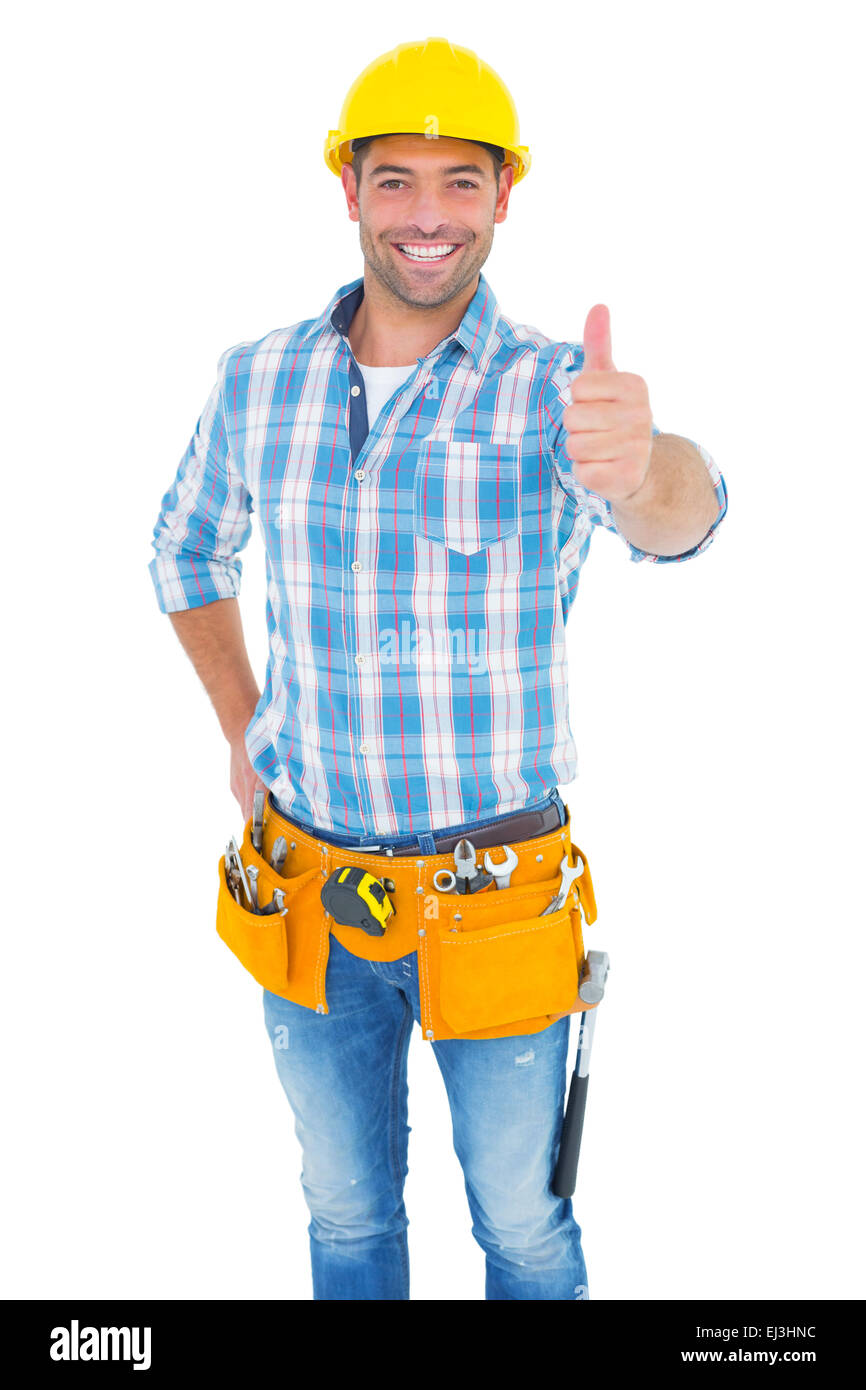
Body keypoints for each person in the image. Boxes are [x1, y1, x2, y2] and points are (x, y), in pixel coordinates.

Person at [149, 37, 728, 1301]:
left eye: (459, 182)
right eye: (395, 178)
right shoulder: (256, 381)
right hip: (309, 889)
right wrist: (242, 729)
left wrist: (641, 465)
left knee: (522, 1233)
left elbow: (684, 518)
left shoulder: (556, 394)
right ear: (346, 190)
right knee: (345, 1218)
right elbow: (184, 548)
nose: (426, 215)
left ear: (504, 196)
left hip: (498, 902)